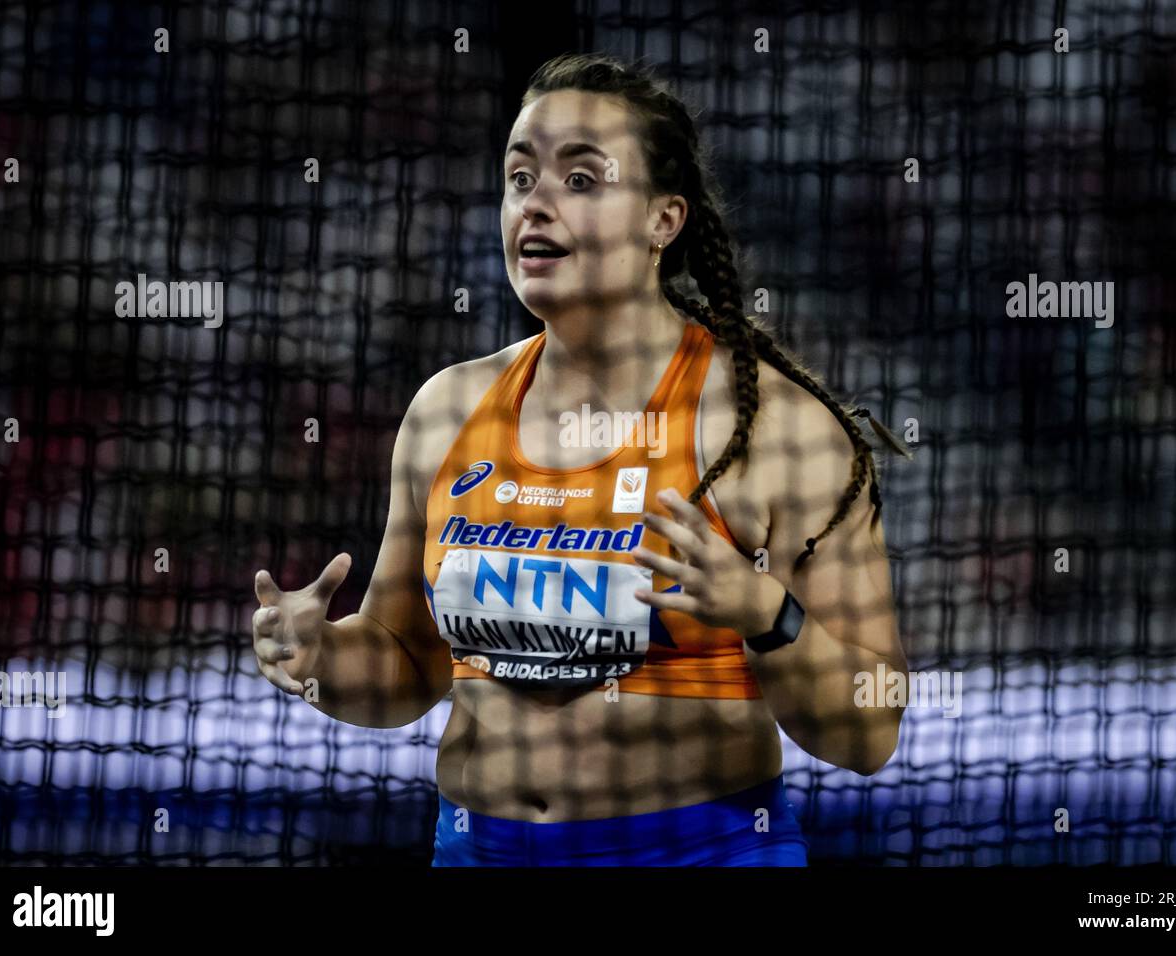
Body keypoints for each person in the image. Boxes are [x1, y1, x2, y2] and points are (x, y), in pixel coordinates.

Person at [251, 52, 909, 866]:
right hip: (479, 851)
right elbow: (403, 667)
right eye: (520, 178)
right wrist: (319, 659)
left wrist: (766, 615)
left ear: (664, 219)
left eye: (581, 179)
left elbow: (871, 730)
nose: (537, 205)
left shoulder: (774, 430)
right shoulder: (447, 411)